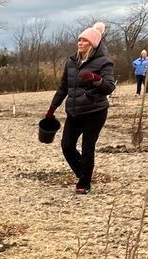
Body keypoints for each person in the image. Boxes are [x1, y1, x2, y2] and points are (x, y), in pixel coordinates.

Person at [46, 22, 115, 196]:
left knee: (87, 148)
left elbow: (109, 87)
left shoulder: (104, 62)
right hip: (74, 111)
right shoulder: (71, 62)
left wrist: (95, 78)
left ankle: (84, 183)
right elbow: (63, 87)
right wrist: (52, 108)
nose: (80, 43)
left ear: (92, 44)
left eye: (84, 40)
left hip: (95, 112)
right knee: (67, 146)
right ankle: (83, 174)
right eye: (79, 40)